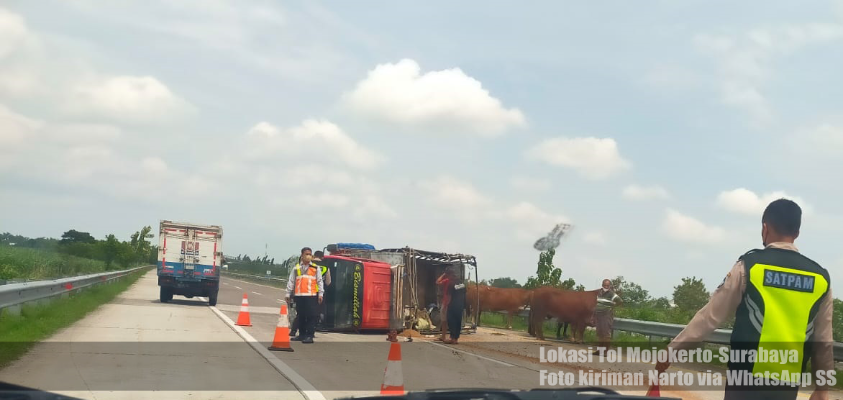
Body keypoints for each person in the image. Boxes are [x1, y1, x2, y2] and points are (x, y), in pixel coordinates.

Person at [655, 199, 833, 400]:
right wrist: (822, 388)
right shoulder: (820, 278)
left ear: (765, 228)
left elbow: (709, 318)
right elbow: (824, 342)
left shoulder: (749, 266)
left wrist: (671, 352)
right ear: (797, 233)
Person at [285, 247, 324, 344]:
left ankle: (309, 336)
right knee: (301, 315)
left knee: (311, 316)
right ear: (302, 255)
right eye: (306, 254)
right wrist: (288, 293)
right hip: (299, 295)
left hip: (311, 296)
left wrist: (321, 294)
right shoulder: (296, 268)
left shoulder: (315, 268)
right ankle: (301, 335)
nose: (308, 256)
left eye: (310, 254)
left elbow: (320, 282)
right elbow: (291, 282)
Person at [593, 279, 621, 355]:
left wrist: (612, 306)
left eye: (607, 285)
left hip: (606, 316)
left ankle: (605, 351)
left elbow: (620, 301)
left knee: (606, 334)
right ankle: (599, 350)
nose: (606, 287)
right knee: (600, 333)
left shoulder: (611, 294)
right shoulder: (599, 293)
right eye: (604, 285)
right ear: (602, 285)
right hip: (599, 315)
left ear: (609, 286)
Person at [444, 266, 467, 344]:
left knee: (451, 321)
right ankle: (456, 338)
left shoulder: (451, 283)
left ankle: (452, 338)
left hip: (453, 305)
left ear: (449, 275)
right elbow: (465, 293)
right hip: (460, 305)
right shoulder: (462, 283)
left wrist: (445, 306)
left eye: (447, 275)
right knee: (458, 322)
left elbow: (449, 296)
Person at [312, 250, 331, 331]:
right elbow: (328, 282)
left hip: (308, 290)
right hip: (320, 292)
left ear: (314, 255)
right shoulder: (326, 267)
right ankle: (319, 325)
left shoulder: (309, 264)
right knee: (320, 309)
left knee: (309, 308)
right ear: (322, 257)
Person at [435, 267, 453, 342]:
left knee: (444, 320)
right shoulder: (454, 281)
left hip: (446, 302)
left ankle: (445, 336)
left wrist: (443, 274)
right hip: (452, 303)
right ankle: (448, 336)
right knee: (447, 320)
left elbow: (437, 282)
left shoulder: (447, 280)